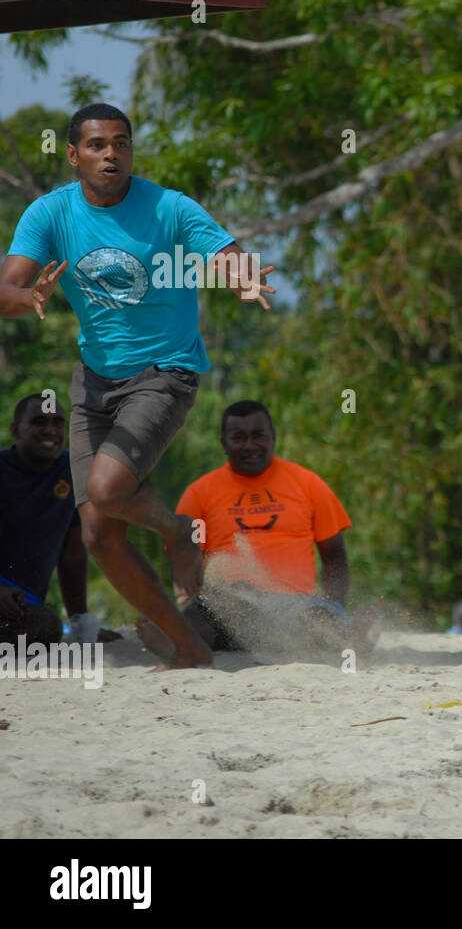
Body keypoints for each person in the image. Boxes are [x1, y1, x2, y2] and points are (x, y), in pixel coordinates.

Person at [0, 103, 274, 669]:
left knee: (105, 490)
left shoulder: (169, 207)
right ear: (74, 155)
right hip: (94, 385)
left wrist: (243, 277)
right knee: (99, 535)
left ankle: (177, 531)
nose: (111, 154)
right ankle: (190, 646)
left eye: (121, 144)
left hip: (165, 373)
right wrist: (25, 299)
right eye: (98, 145)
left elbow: (225, 254)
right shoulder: (50, 214)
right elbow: (7, 289)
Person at [169, 399, 373, 655]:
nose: (250, 445)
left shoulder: (308, 485)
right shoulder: (199, 494)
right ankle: (177, 641)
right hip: (230, 607)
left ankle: (348, 638)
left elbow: (334, 557)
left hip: (294, 606)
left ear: (273, 437)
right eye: (239, 437)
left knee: (317, 618)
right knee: (195, 618)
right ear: (223, 443)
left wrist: (336, 607)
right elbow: (185, 558)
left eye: (259, 436)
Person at [0, 393, 121, 646]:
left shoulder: (72, 470)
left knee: (44, 627)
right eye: (38, 422)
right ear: (15, 430)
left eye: (57, 422)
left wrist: (81, 626)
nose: (50, 430)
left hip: (21, 607)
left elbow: (72, 556)